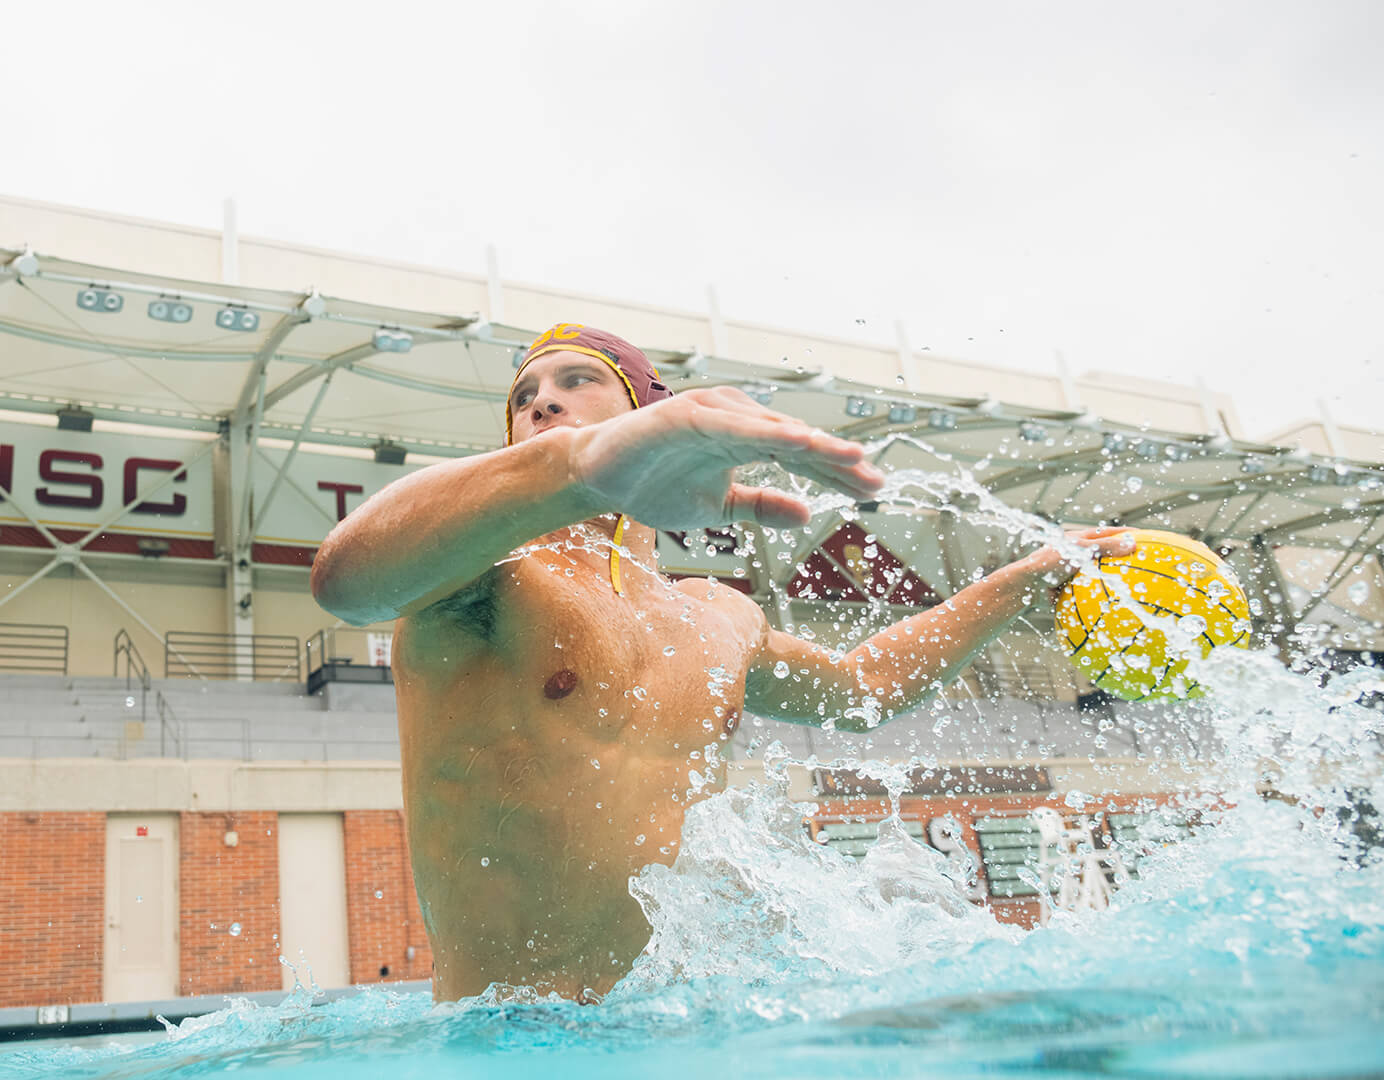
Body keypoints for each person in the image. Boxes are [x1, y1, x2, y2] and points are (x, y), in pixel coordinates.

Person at [311, 322, 1134, 1002]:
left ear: (644, 411)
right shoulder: (479, 574)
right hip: (507, 1039)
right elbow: (349, 581)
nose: (544, 401)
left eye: (575, 381)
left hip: (677, 1026)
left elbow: (865, 688)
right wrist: (580, 468)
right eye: (524, 397)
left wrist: (1022, 584)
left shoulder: (715, 614)